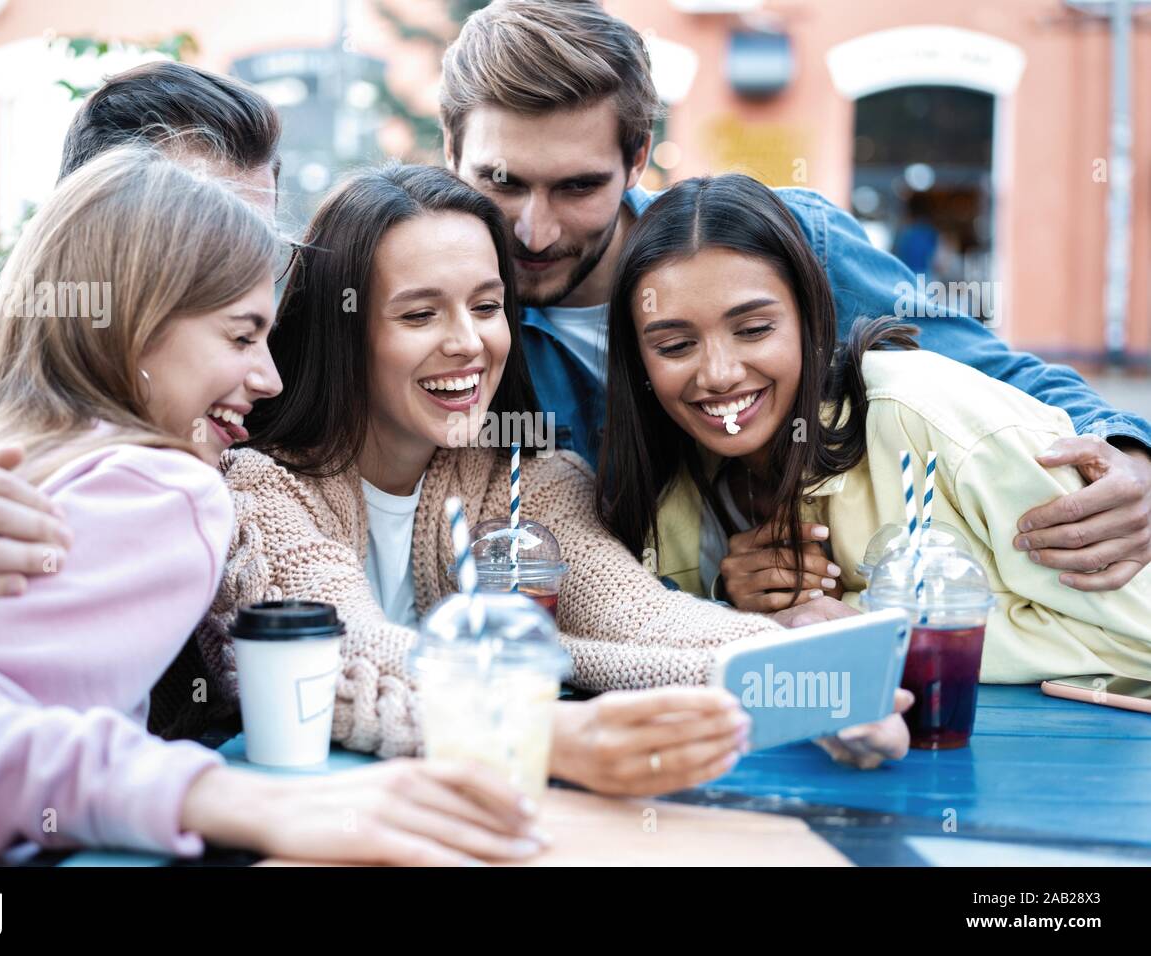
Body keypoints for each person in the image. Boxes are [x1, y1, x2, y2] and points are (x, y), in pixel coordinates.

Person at [0, 146, 546, 868]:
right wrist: (220, 799)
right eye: (242, 335)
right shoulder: (161, 488)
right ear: (136, 323)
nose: (269, 377)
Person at [181, 162, 911, 790]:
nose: (468, 344)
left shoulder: (530, 479)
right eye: (419, 315)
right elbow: (354, 664)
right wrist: (559, 705)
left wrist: (808, 674)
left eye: (488, 306)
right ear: (345, 329)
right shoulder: (257, 489)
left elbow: (642, 618)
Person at [439, 0, 1151, 595]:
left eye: (577, 187)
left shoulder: (786, 245)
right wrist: (725, 592)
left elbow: (996, 376)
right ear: (451, 153)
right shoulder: (453, 335)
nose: (535, 229)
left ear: (635, 158)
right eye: (502, 182)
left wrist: (1131, 453)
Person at [596, 175, 1151, 683]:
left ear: (812, 320)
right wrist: (737, 605)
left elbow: (1137, 634)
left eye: (755, 329)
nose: (717, 375)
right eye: (674, 346)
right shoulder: (667, 474)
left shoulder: (925, 415)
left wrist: (875, 628)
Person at [0, 60, 282, 603]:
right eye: (191, 237)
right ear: (88, 222)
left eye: (254, 240)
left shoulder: (217, 430)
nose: (233, 267)